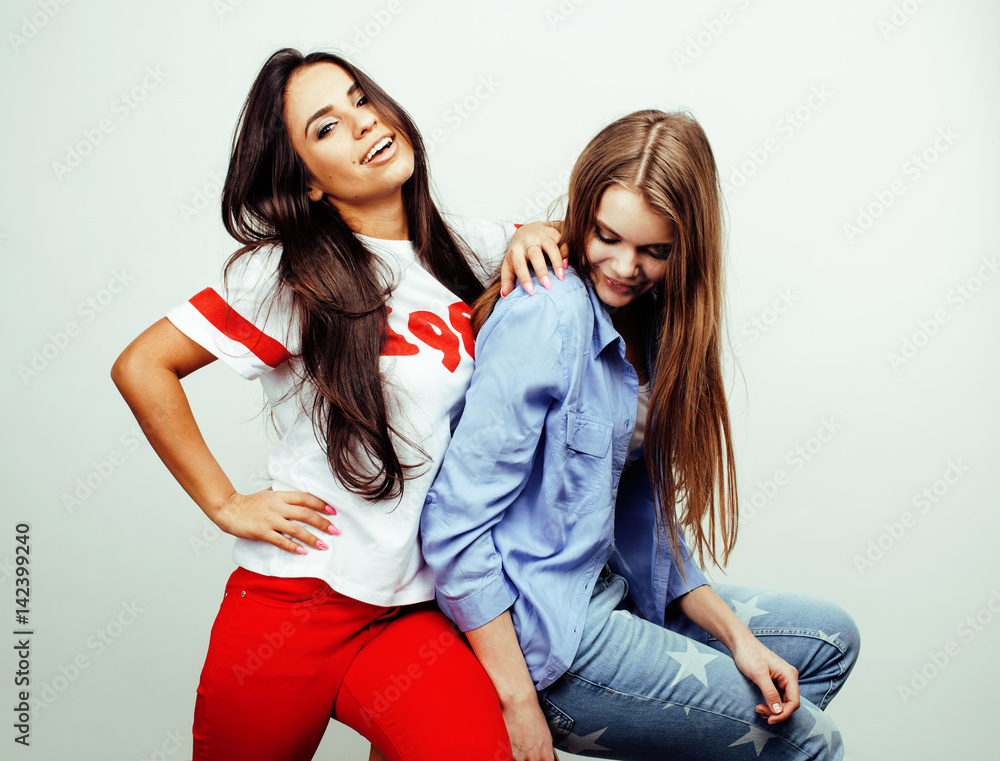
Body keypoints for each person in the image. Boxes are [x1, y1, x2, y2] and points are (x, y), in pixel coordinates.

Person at [111, 48, 562, 761]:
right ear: (310, 183)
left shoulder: (459, 245)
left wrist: (540, 231)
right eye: (326, 127)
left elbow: (557, 246)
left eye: (360, 98)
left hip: (410, 612)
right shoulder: (287, 275)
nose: (363, 122)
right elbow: (142, 365)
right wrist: (225, 503)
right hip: (292, 608)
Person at [421, 110, 861, 760]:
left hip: (609, 586)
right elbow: (451, 525)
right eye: (606, 236)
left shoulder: (654, 324)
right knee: (811, 743)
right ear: (582, 212)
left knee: (827, 642)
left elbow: (639, 514)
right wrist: (515, 701)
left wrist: (737, 636)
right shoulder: (547, 317)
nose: (625, 266)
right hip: (546, 634)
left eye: (655, 250)